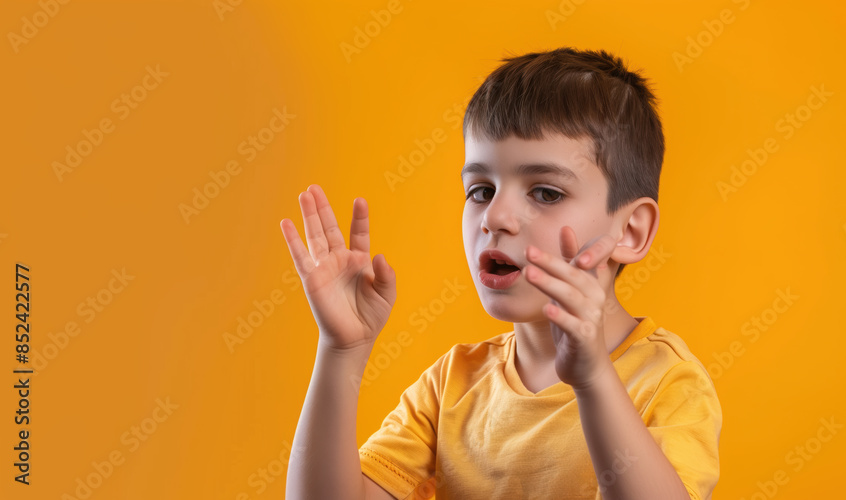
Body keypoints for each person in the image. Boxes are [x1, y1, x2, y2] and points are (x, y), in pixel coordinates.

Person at [281, 47, 722, 500]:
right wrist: (341, 351)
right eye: (481, 190)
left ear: (630, 230)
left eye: (546, 193)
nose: (496, 216)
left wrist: (593, 380)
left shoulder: (667, 382)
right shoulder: (449, 386)